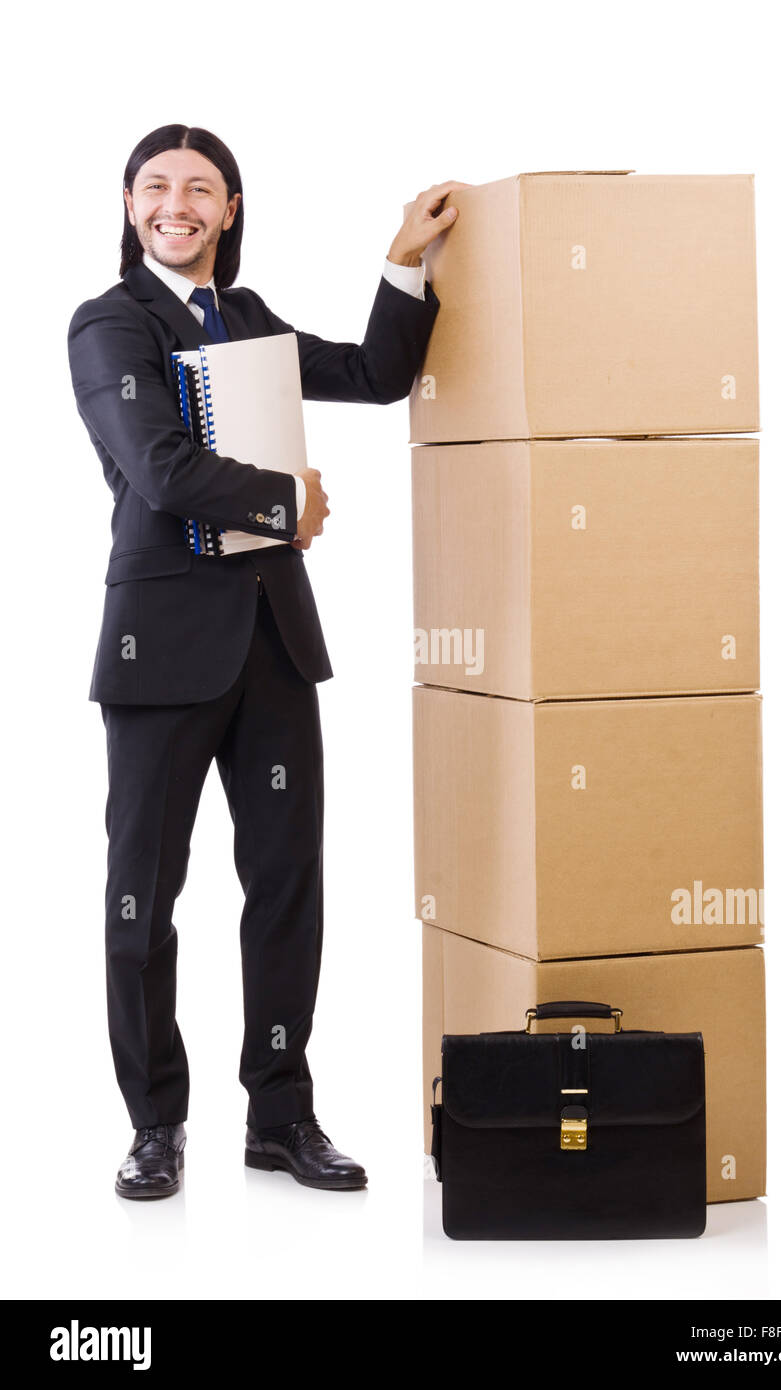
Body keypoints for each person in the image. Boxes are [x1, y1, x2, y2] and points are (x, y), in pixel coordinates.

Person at [67, 122, 467, 1200]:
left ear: (230, 210)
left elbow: (379, 375)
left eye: (202, 188)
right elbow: (157, 467)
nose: (178, 203)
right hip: (161, 655)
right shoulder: (110, 324)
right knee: (142, 899)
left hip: (273, 647)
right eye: (157, 186)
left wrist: (404, 257)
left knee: (287, 885)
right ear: (129, 203)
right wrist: (289, 501)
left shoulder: (246, 320)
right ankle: (157, 1122)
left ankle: (281, 1114)